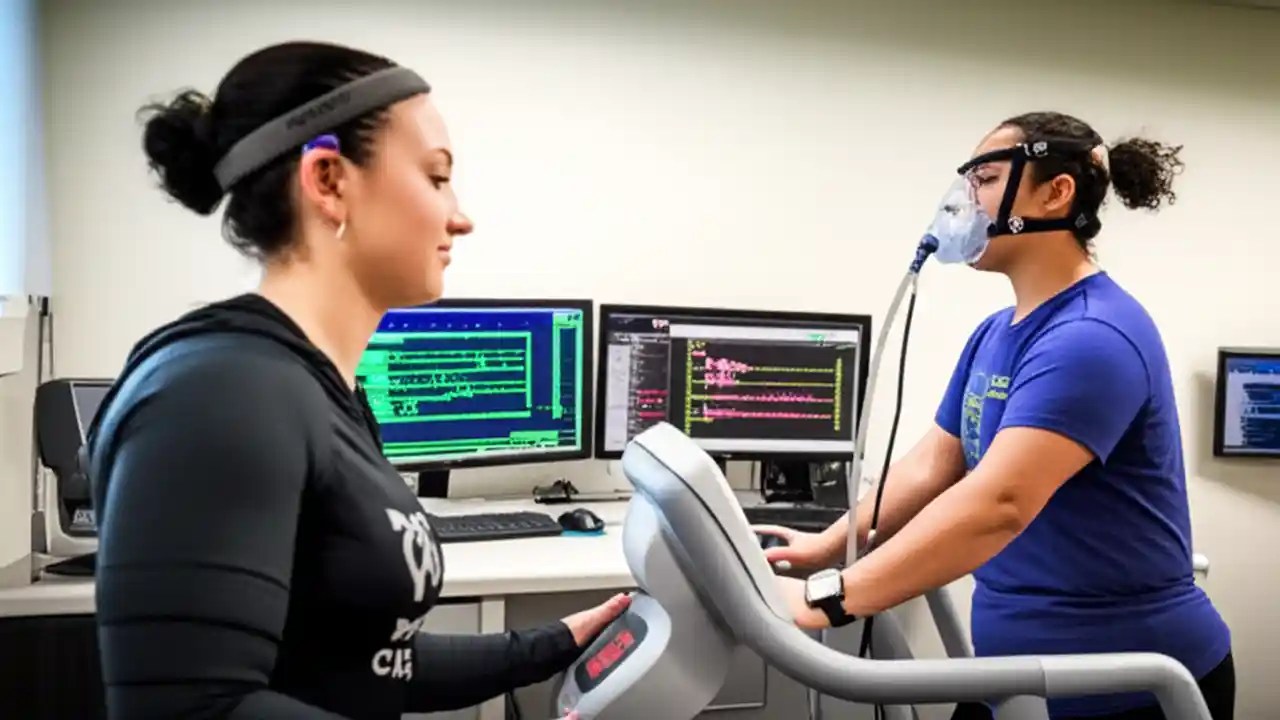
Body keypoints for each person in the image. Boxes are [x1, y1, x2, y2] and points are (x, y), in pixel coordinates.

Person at [84, 41, 628, 719]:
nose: (460, 216)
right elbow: (195, 710)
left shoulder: (317, 389)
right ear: (329, 179)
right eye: (435, 178)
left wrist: (550, 645)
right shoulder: (220, 393)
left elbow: (364, 658)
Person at [755, 112, 1233, 720]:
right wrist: (827, 548)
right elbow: (934, 464)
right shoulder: (998, 333)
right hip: (1021, 676)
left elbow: (999, 504)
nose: (964, 200)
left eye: (984, 178)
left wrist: (826, 600)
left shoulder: (1093, 336)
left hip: (1124, 687)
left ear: (1055, 193)